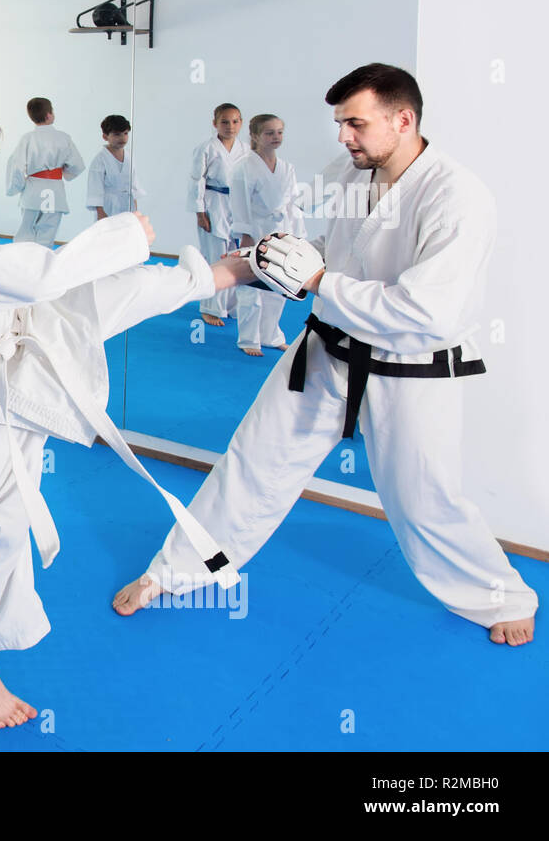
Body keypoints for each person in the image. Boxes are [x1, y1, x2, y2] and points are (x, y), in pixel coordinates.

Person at [114, 64, 538, 647]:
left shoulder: (457, 196)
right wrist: (274, 259)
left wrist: (317, 280)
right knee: (251, 462)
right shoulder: (349, 172)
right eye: (341, 123)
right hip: (325, 349)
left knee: (424, 499)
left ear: (403, 119)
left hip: (408, 371)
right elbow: (337, 254)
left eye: (356, 123)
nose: (343, 136)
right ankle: (180, 570)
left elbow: (427, 312)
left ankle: (503, 596)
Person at [0, 100, 254, 728]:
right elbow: (29, 277)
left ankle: (216, 275)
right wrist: (126, 234)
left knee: (97, 302)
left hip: (10, 356)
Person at [229, 114, 306, 356]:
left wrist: (298, 234)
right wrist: (246, 235)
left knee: (278, 286)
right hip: (255, 230)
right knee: (251, 287)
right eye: (269, 133)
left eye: (280, 132)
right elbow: (239, 205)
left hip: (282, 232)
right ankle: (249, 338)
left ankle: (271, 335)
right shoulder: (243, 167)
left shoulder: (287, 167)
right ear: (254, 136)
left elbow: (293, 203)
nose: (276, 137)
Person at [189, 103, 248, 326]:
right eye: (224, 121)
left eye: (235, 121)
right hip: (213, 203)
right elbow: (196, 180)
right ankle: (210, 307)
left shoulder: (246, 149)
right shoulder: (206, 148)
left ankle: (231, 306)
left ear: (241, 123)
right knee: (214, 254)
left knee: (236, 255)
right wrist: (200, 212)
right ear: (215, 124)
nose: (230, 126)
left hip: (238, 204)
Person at [5, 97, 86, 246]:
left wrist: (18, 186)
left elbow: (16, 166)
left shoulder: (28, 138)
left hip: (33, 190)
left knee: (25, 231)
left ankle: (21, 264)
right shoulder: (64, 138)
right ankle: (43, 265)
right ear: (49, 115)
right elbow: (77, 165)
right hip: (55, 190)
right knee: (47, 233)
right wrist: (63, 172)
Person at [85, 114, 144, 220]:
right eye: (117, 134)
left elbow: (133, 185)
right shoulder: (100, 159)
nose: (122, 138)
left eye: (125, 133)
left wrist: (135, 210)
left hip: (127, 205)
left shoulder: (129, 156)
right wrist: (100, 212)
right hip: (108, 206)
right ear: (105, 136)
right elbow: (95, 188)